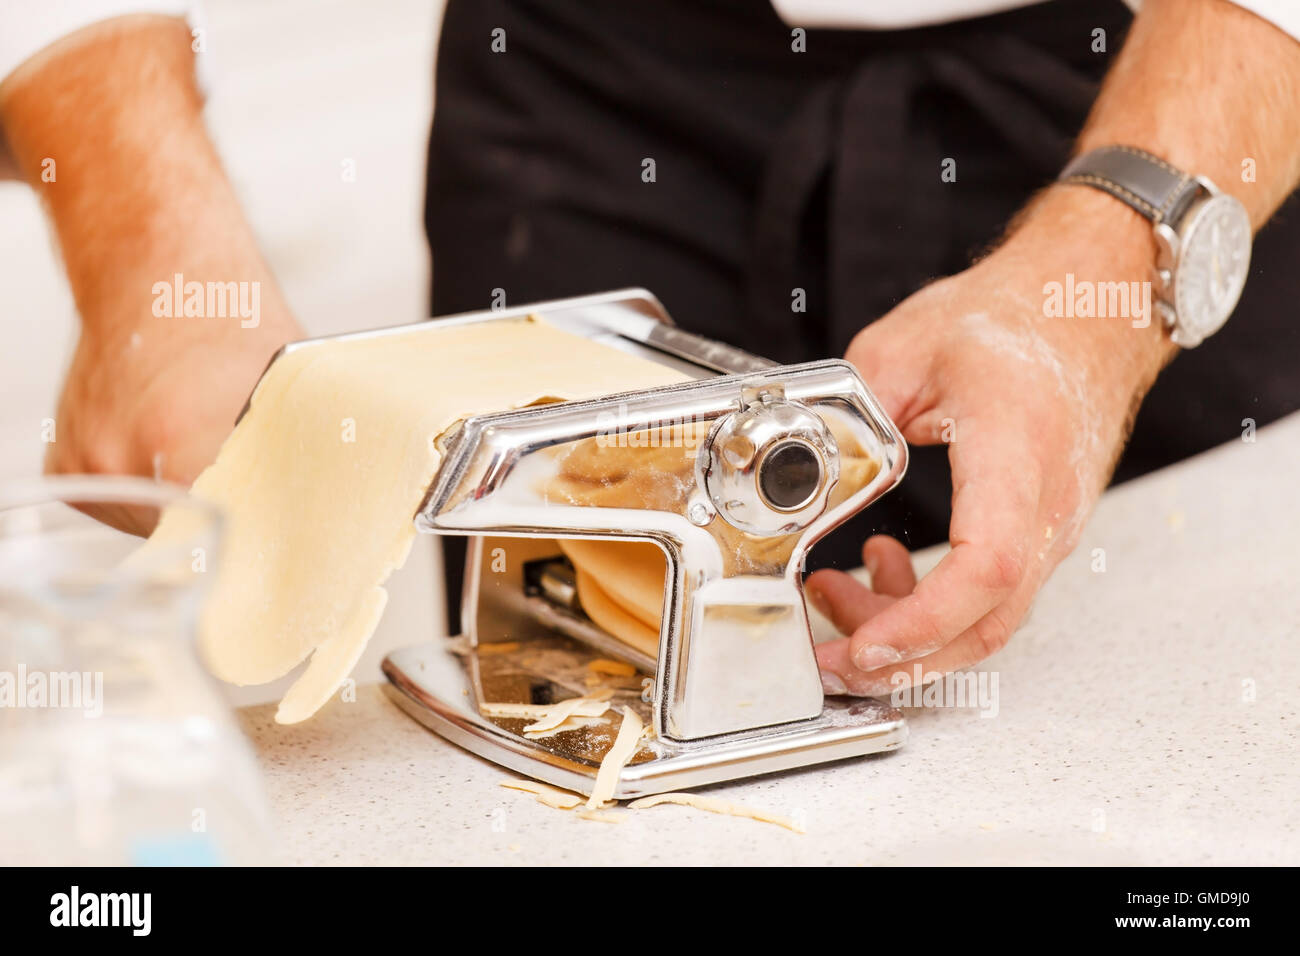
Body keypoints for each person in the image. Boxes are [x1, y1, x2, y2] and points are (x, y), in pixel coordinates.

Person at [1, 1, 1297, 698]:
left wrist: (1111, 278)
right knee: (553, 687)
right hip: (587, 93)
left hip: (1170, 99)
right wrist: (147, 251)